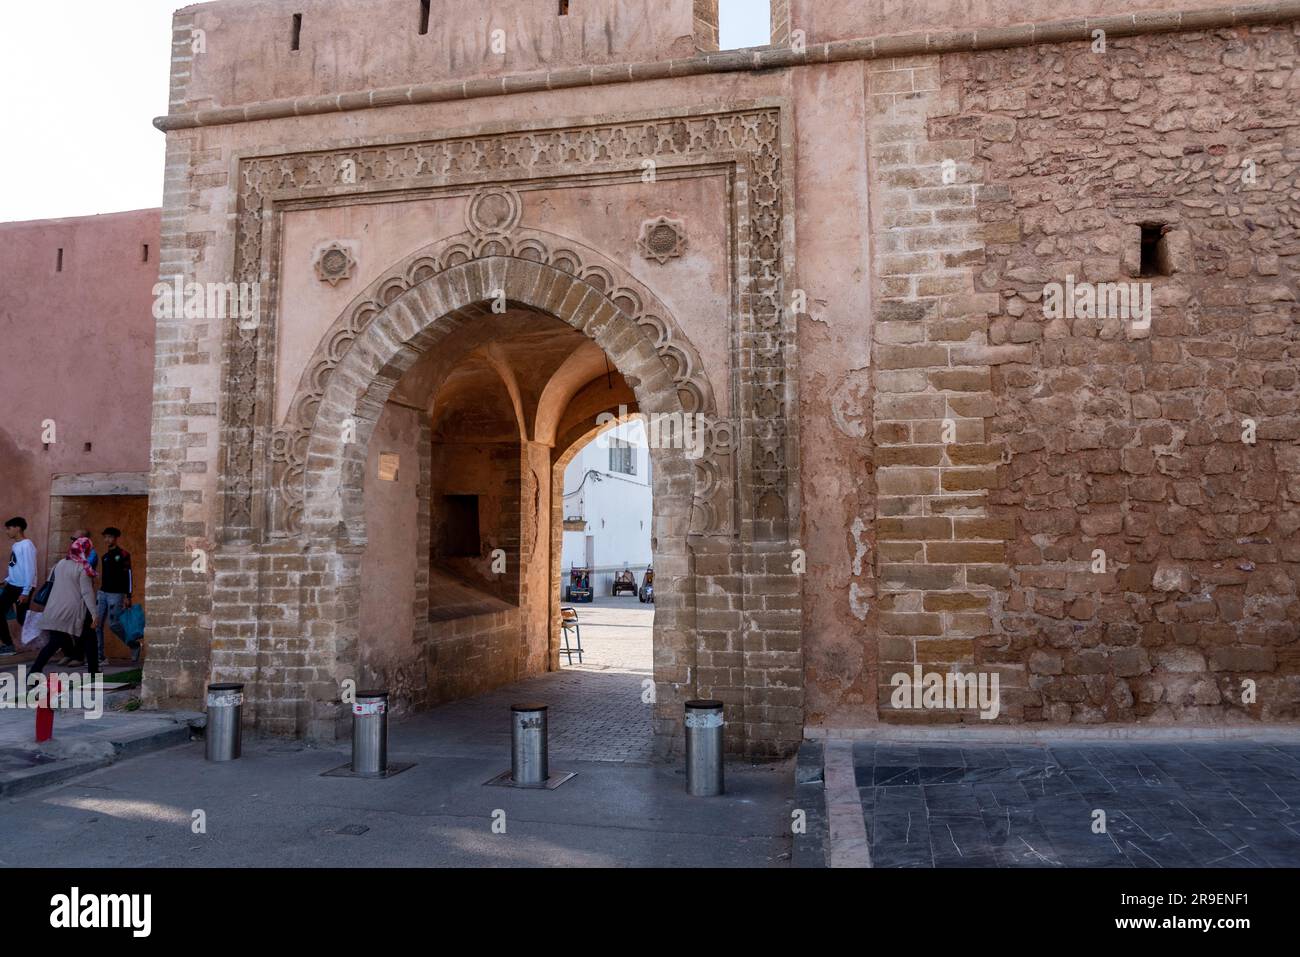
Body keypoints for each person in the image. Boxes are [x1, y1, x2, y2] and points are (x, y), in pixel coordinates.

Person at [31, 536, 99, 676]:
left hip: (54, 608)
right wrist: (94, 613)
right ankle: (93, 672)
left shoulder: (60, 564)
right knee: (90, 638)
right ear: (85, 550)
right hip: (73, 610)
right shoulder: (83, 567)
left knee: (54, 643)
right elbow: (86, 592)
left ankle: (34, 671)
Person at [95, 527, 134, 663]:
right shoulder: (104, 557)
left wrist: (128, 596)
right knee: (96, 624)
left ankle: (134, 645)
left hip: (116, 595)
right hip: (102, 593)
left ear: (116, 538)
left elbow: (128, 576)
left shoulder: (123, 554)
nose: (107, 540)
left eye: (110, 537)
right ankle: (100, 656)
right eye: (105, 537)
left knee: (113, 624)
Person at [0, 517, 37, 657]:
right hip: (12, 585)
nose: (7, 531)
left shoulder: (27, 545)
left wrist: (26, 591)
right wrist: (7, 580)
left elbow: (30, 570)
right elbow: (15, 566)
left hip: (22, 588)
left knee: (23, 619)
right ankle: (8, 645)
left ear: (18, 528)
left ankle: (51, 635)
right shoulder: (16, 545)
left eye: (9, 528)